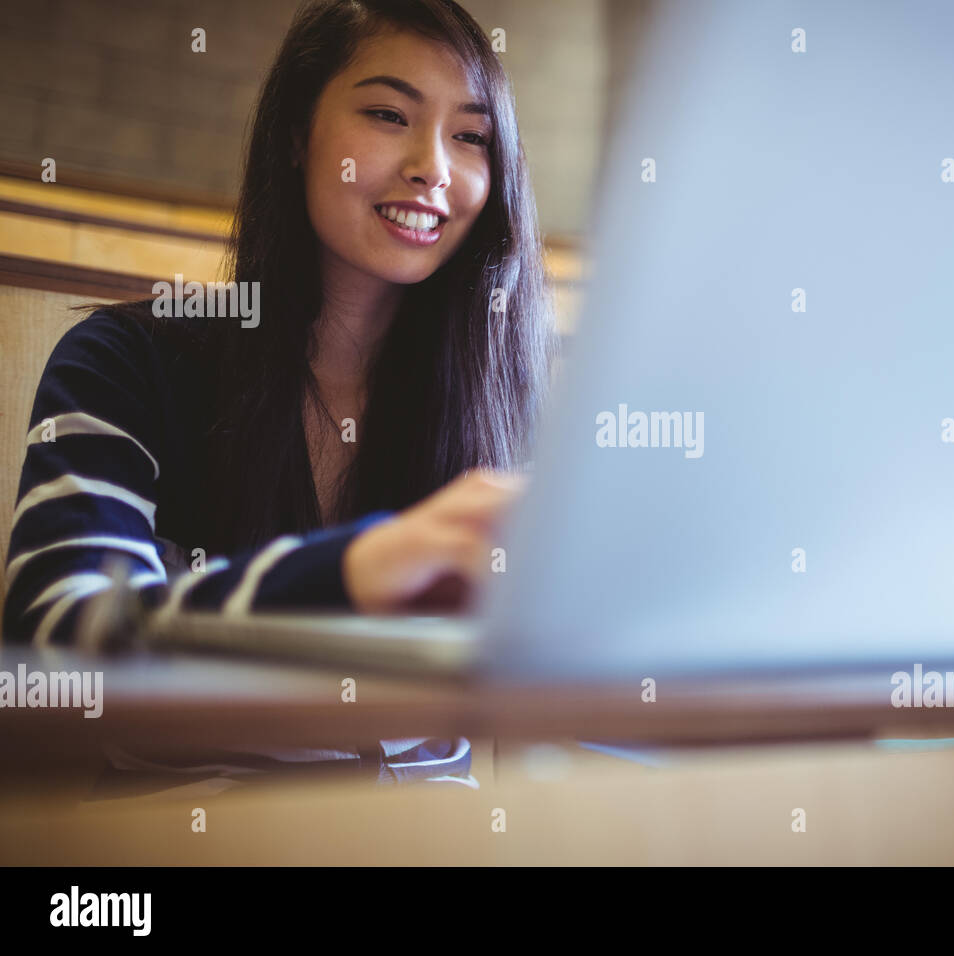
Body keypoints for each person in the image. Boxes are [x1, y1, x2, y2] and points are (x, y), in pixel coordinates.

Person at [3, 0, 556, 790]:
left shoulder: (501, 404)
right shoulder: (126, 361)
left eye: (470, 135)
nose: (434, 164)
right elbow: (52, 643)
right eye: (388, 113)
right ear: (299, 135)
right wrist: (354, 570)